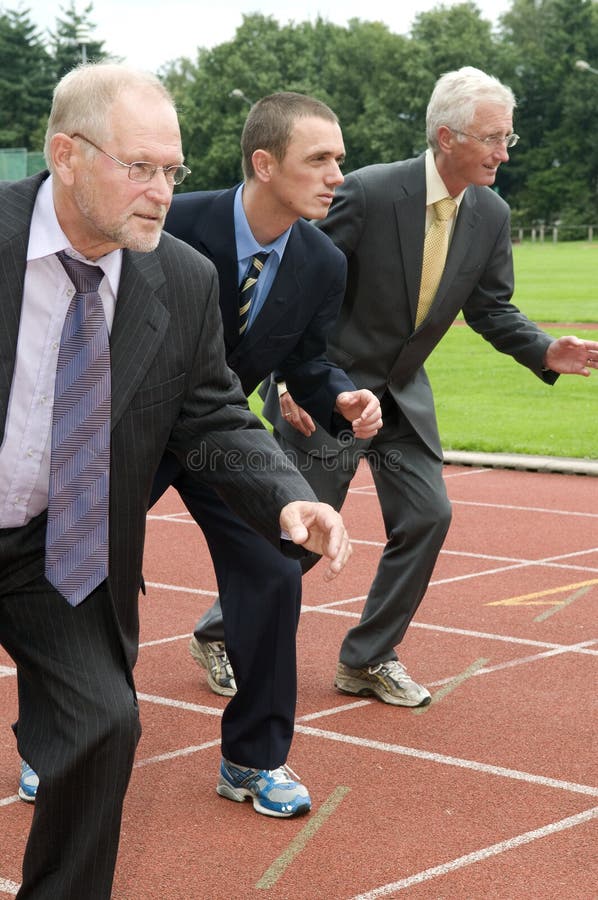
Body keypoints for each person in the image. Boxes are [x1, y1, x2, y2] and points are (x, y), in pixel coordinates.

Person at [0, 63, 353, 900]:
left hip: (58, 546)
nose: (160, 191)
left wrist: (285, 493)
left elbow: (214, 416)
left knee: (105, 725)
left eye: (173, 171)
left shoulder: (182, 279)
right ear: (66, 155)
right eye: (140, 167)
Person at [261, 65, 598, 708]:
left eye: (509, 138)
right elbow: (295, 284)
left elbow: (492, 309)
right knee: (303, 534)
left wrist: (545, 350)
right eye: (494, 138)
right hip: (327, 391)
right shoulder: (366, 192)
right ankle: (220, 633)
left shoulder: (491, 213)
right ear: (448, 138)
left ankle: (367, 657)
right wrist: (283, 383)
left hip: (402, 397)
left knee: (428, 515)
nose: (504, 151)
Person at [151, 92, 382, 818]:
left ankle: (253, 761)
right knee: (76, 571)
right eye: (320, 159)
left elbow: (308, 362)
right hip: (129, 432)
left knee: (274, 571)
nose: (336, 174)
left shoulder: (320, 259)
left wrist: (342, 397)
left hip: (221, 440)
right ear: (263, 163)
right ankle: (52, 742)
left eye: (339, 159)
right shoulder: (169, 223)